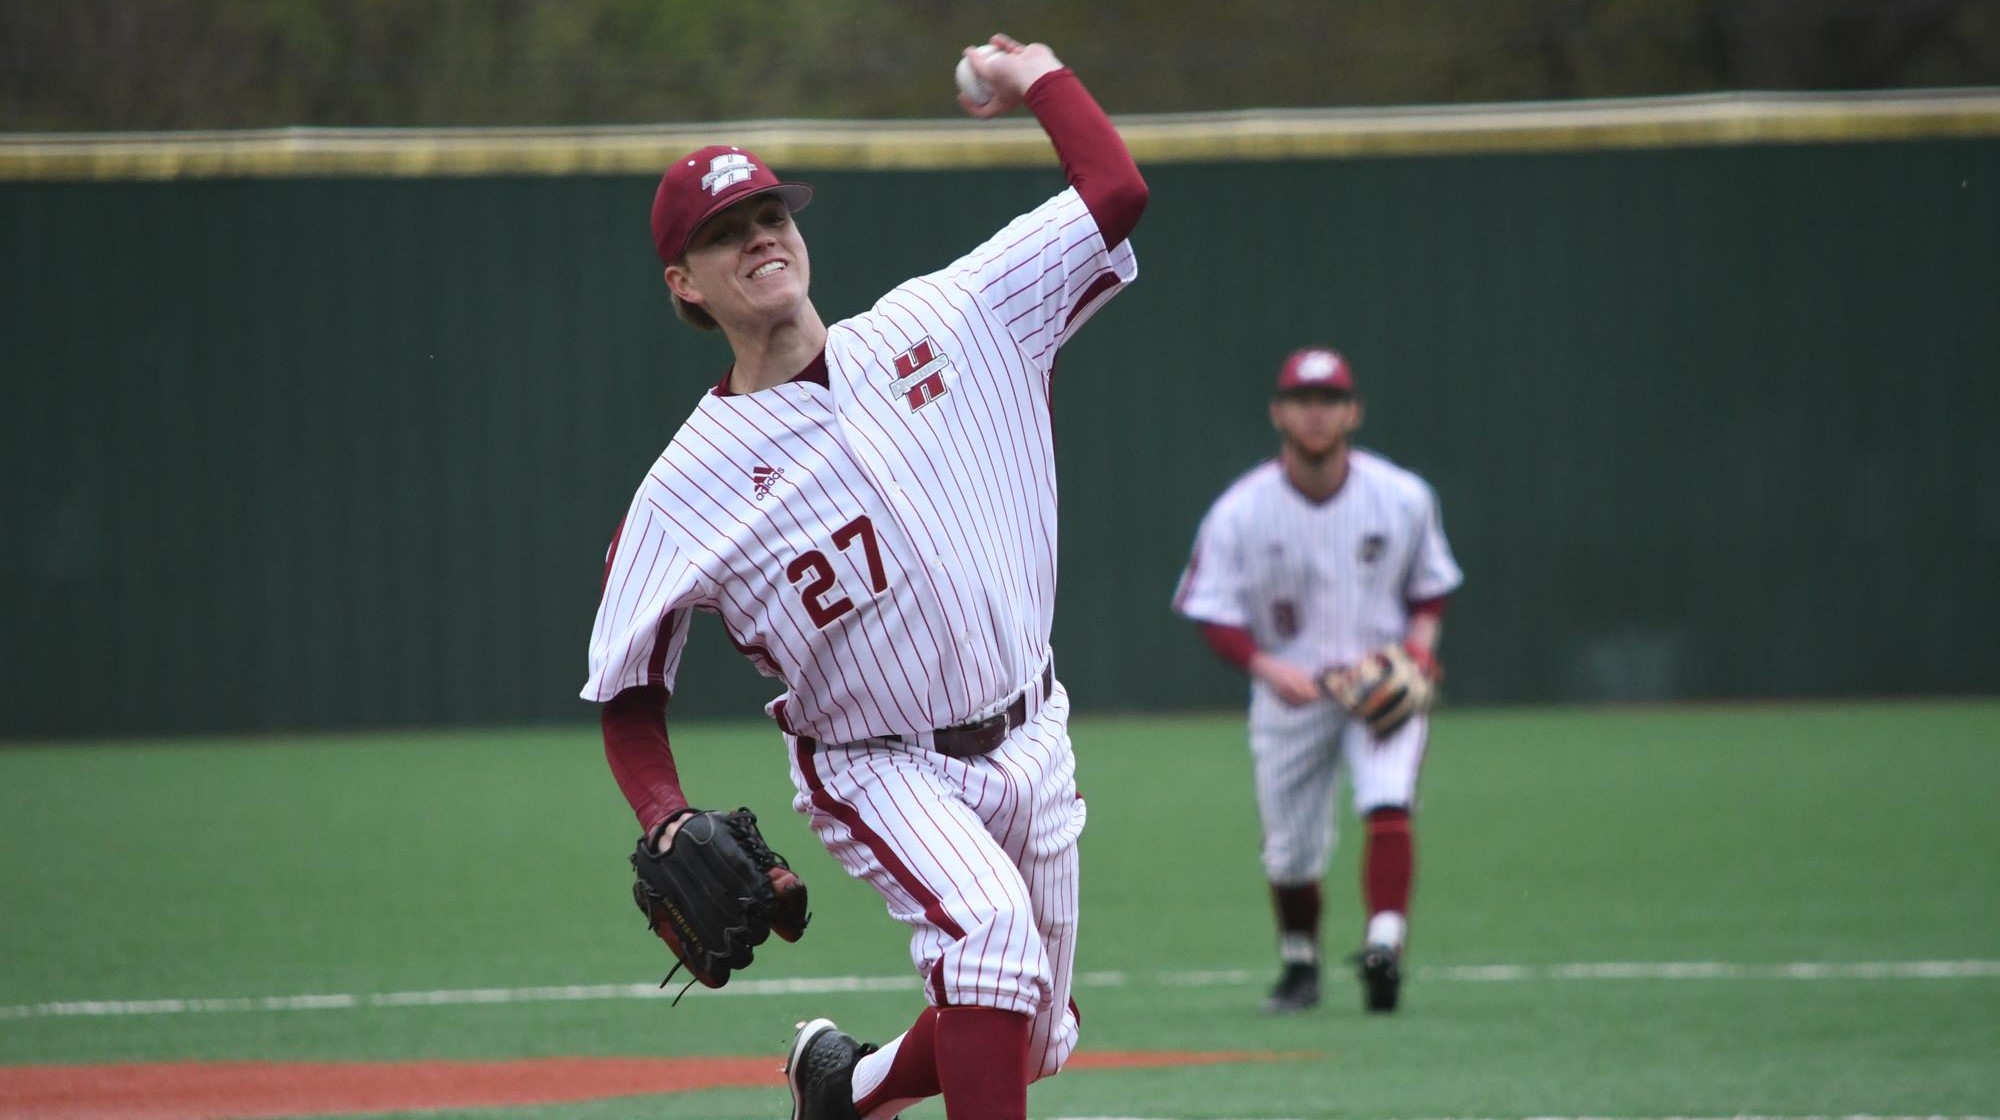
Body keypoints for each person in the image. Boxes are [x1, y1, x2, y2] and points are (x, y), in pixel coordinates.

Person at [580, 35, 1146, 1120]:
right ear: (682, 284)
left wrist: (1035, 75)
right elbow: (627, 693)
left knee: (1037, 1036)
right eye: (721, 236)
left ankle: (845, 1085)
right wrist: (663, 814)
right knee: (987, 945)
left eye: (767, 218)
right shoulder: (682, 490)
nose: (756, 240)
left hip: (1033, 727)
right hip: (881, 764)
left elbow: (1113, 191)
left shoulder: (953, 316)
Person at [1171, 347, 1462, 1015]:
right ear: (1279, 412)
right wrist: (1266, 667)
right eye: (1303, 399)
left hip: (1378, 683)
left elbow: (1431, 588)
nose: (1316, 412)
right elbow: (1211, 610)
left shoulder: (1403, 497)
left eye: (1330, 400)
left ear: (1352, 411)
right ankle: (1300, 963)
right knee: (1291, 849)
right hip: (1290, 691)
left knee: (1389, 799)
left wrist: (1419, 650)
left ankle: (1384, 947)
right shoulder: (1240, 511)